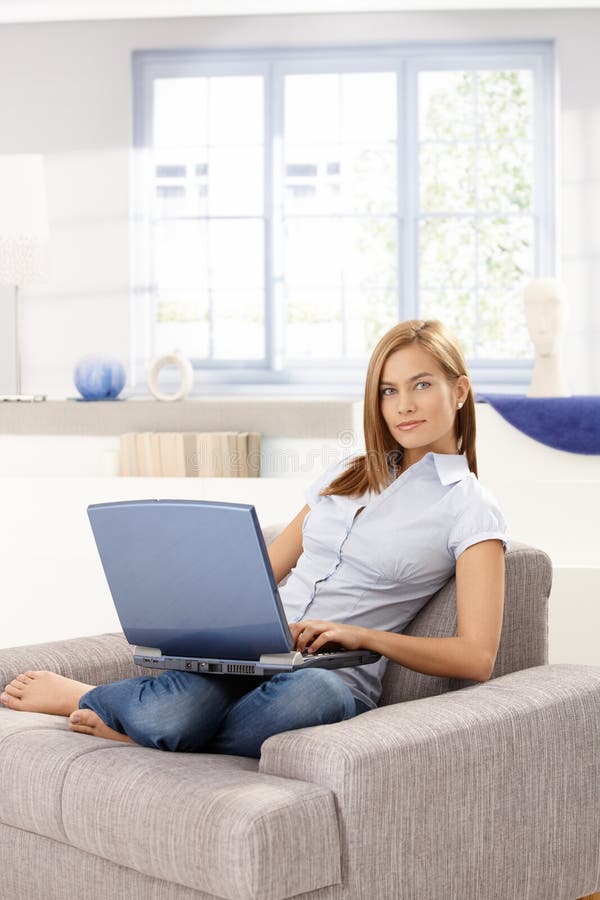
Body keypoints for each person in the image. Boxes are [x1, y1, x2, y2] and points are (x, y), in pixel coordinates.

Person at [0, 319, 508, 758]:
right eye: (388, 390)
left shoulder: (469, 508)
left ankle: (119, 716)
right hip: (254, 652)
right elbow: (267, 568)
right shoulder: (350, 473)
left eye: (421, 385)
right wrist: (204, 615)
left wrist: (363, 637)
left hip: (331, 677)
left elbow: (476, 657)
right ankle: (151, 722)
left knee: (310, 697)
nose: (402, 405)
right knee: (176, 711)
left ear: (459, 391)